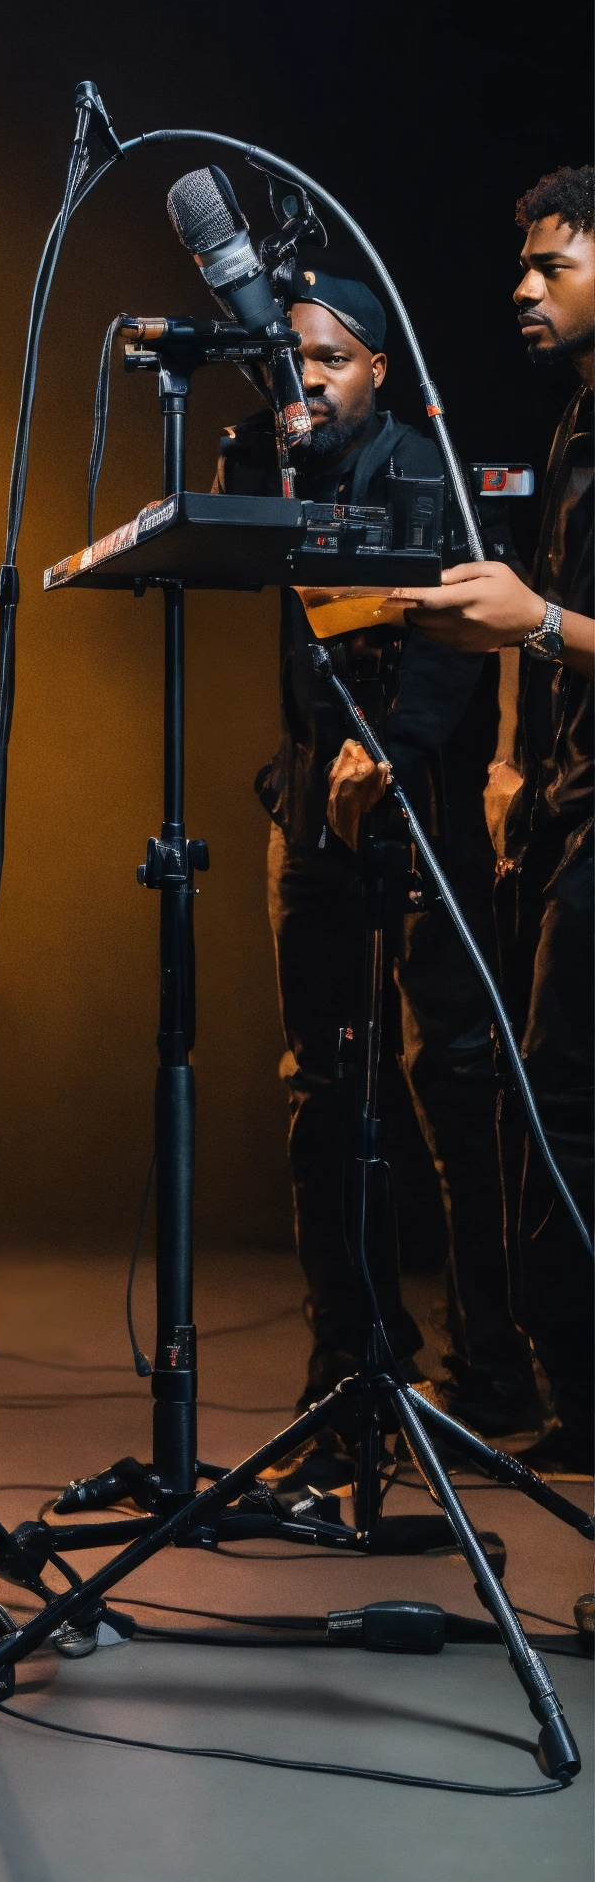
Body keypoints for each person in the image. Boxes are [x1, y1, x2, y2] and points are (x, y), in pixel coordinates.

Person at [215, 272, 537, 1487]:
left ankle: (491, 1363)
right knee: (319, 1089)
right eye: (294, 359)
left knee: (451, 1082)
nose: (310, 379)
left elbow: (468, 637)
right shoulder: (287, 467)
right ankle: (347, 1356)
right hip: (307, 821)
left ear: (380, 368)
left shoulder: (425, 469)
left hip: (425, 818)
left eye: (332, 359)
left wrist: (396, 754)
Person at [367, 167, 593, 1474]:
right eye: (522, 266)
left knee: (564, 1110)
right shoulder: (569, 429)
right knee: (541, 1109)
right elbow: (534, 612)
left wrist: (542, 626)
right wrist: (509, 765)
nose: (523, 286)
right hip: (563, 807)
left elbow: (547, 620)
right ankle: (568, 1405)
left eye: (554, 264)